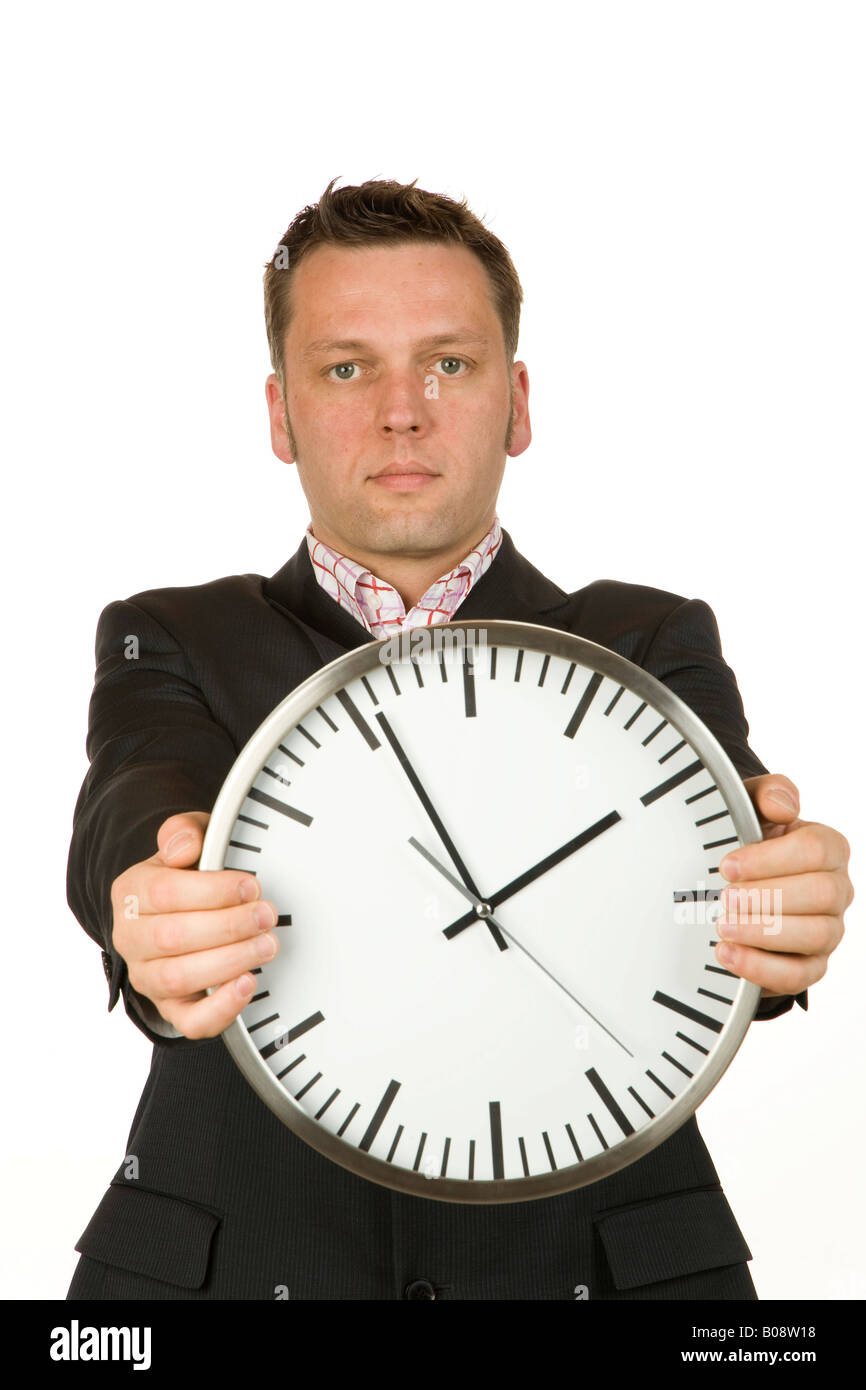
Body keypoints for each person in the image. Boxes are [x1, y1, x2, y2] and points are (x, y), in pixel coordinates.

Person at [66, 177, 852, 1300]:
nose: (402, 409)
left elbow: (724, 879)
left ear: (516, 402)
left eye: (448, 361)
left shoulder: (647, 638)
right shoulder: (170, 636)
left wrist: (784, 909)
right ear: (281, 414)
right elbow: (131, 805)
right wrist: (149, 897)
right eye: (347, 367)